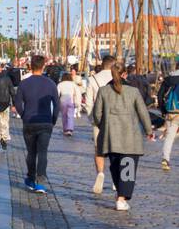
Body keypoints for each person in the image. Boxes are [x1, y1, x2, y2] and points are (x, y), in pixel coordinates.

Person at [91, 61, 154, 211]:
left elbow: (96, 115)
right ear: (125, 74)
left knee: (115, 166)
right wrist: (149, 131)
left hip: (110, 136)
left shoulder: (103, 91)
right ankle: (121, 198)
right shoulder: (133, 92)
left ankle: (120, 195)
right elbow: (143, 113)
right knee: (127, 167)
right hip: (130, 137)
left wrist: (103, 126)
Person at [14, 55, 59, 193]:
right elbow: (56, 105)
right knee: (42, 152)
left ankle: (30, 177)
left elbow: (17, 103)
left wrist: (23, 115)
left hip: (29, 121)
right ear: (43, 66)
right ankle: (40, 182)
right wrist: (53, 120)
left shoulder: (24, 84)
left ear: (30, 66)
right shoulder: (51, 84)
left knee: (31, 152)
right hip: (45, 121)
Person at [85, 55, 116, 194]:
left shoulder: (93, 79)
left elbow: (88, 103)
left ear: (102, 64)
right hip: (116, 119)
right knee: (116, 149)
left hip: (99, 119)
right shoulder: (117, 79)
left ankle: (100, 173)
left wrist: (93, 119)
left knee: (99, 149)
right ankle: (116, 180)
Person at [159, 62, 179, 172]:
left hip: (172, 112)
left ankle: (165, 159)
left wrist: (163, 111)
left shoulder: (168, 79)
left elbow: (160, 95)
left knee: (170, 137)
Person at [57, 71, 80, 137]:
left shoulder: (60, 84)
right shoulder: (73, 84)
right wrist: (78, 102)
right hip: (71, 100)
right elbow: (77, 93)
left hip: (63, 100)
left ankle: (65, 129)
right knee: (70, 115)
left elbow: (57, 94)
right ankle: (70, 129)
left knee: (64, 116)